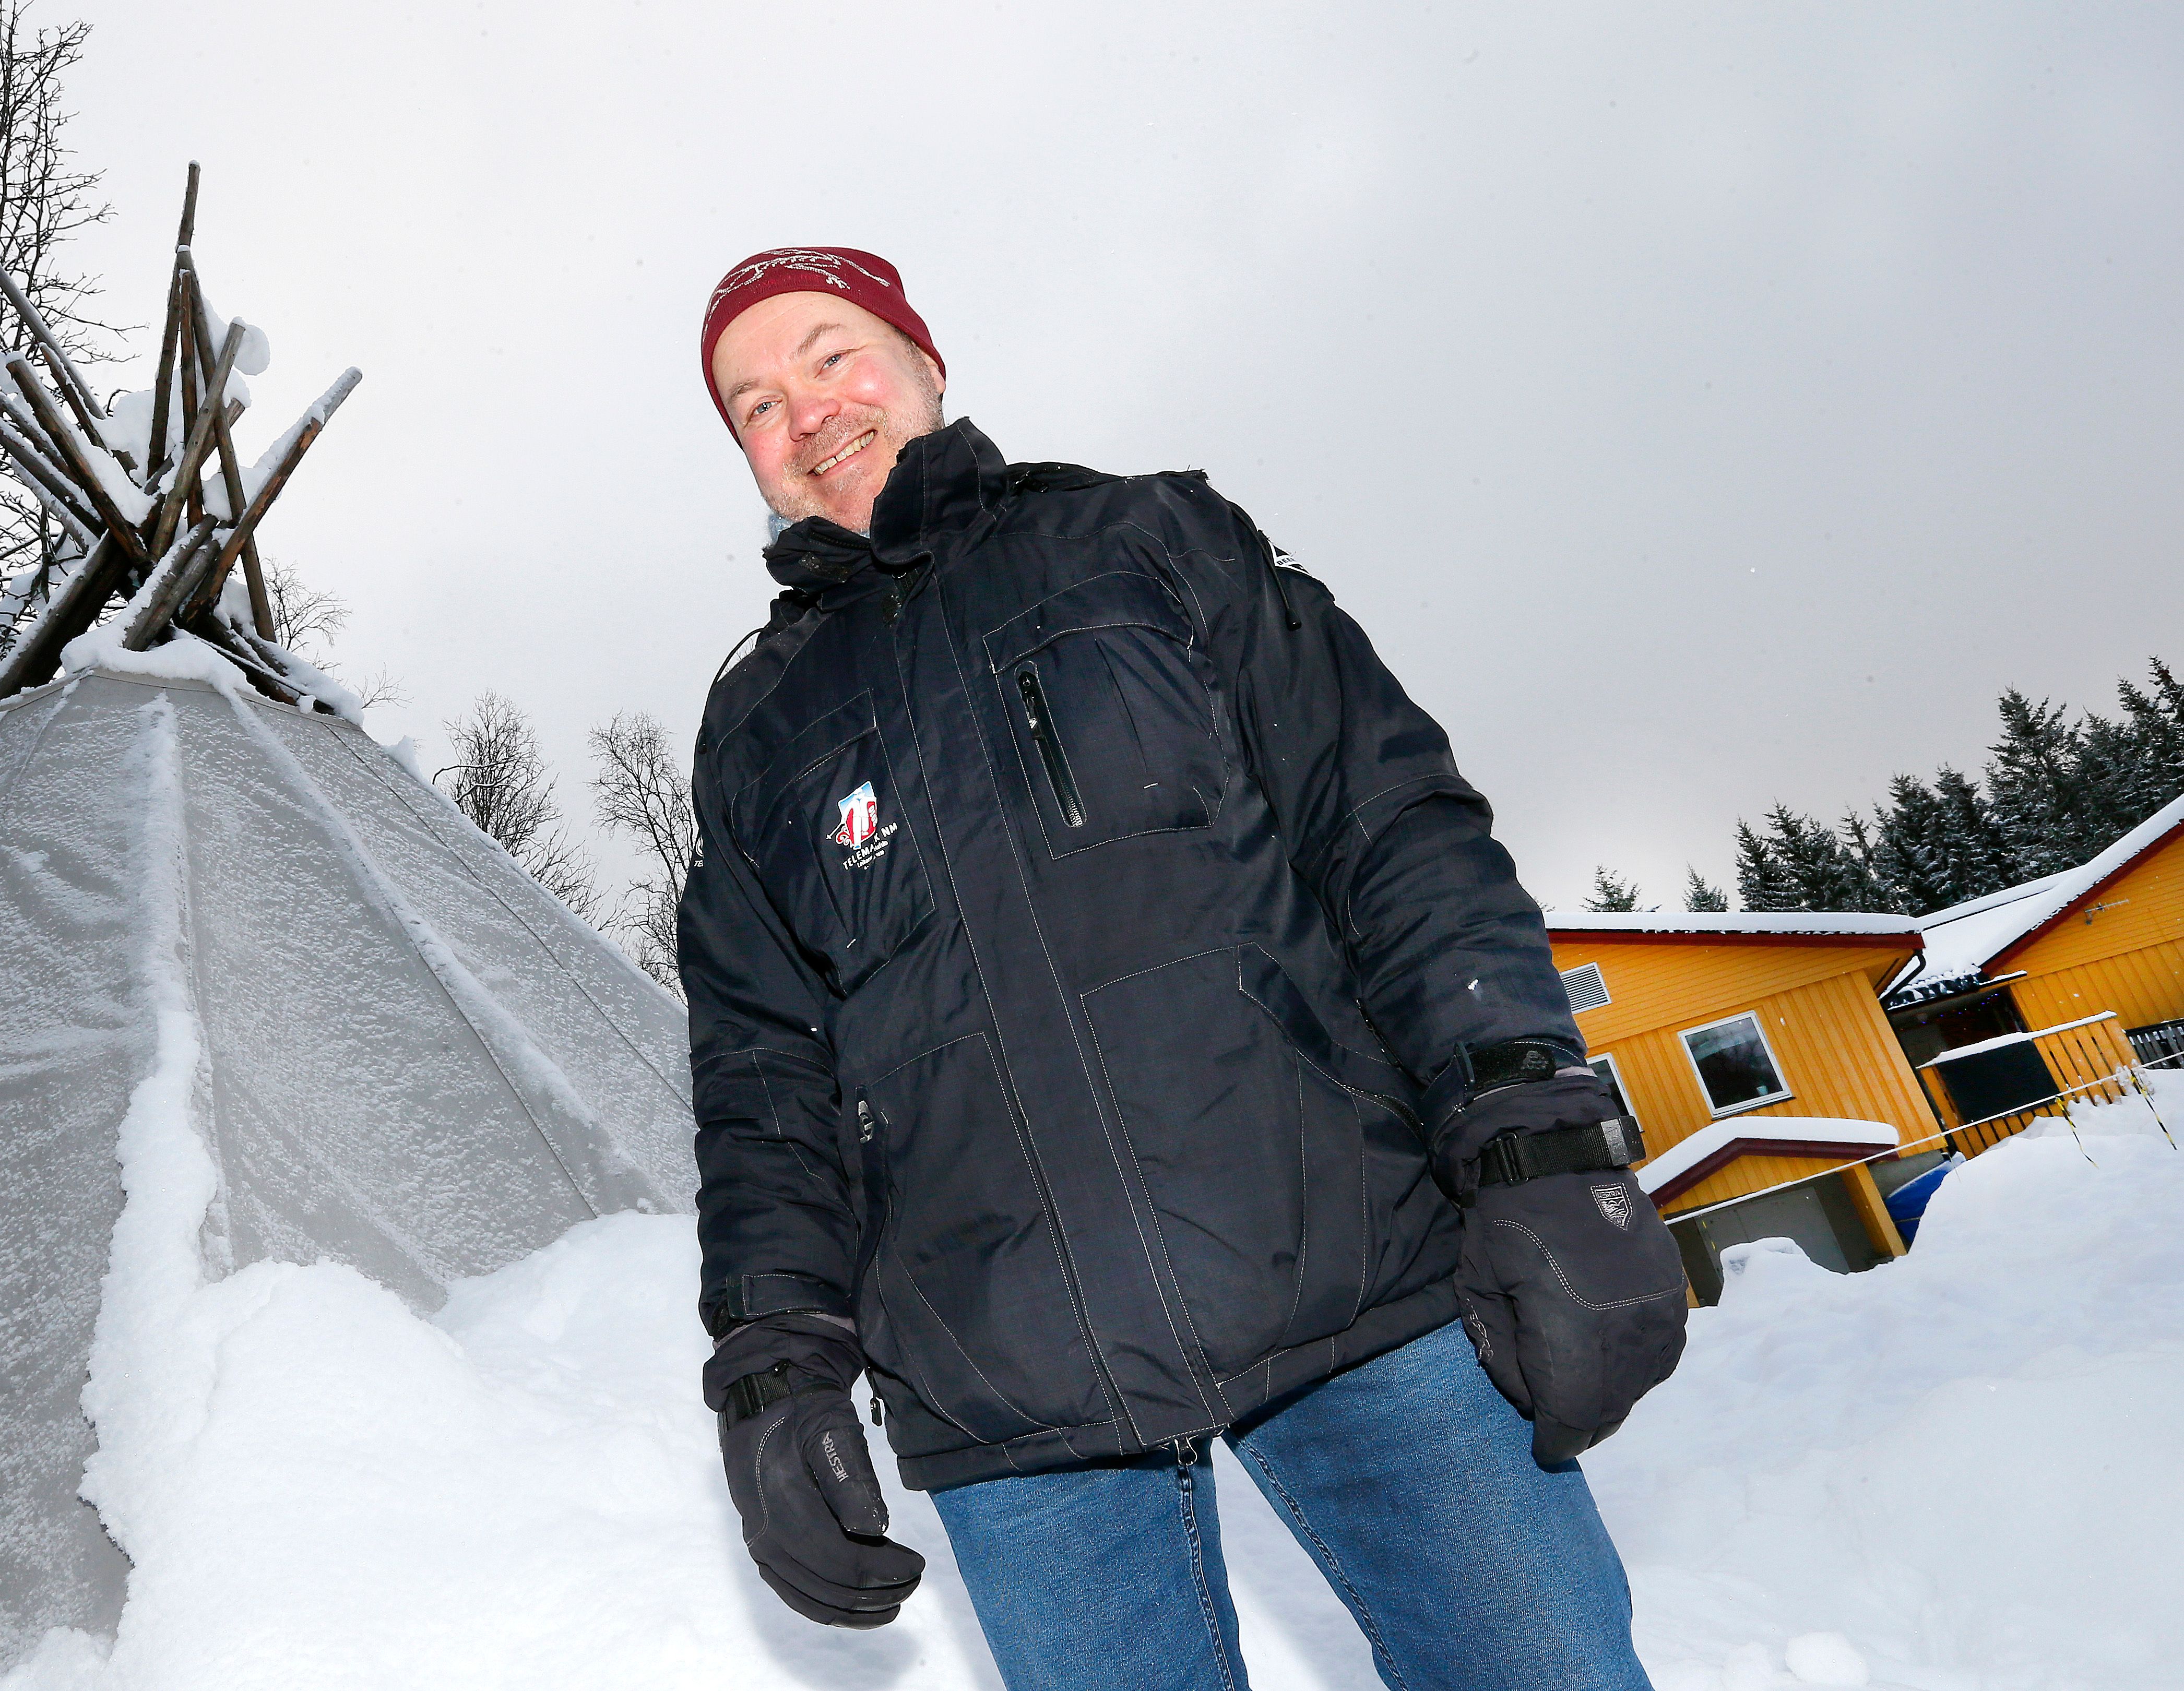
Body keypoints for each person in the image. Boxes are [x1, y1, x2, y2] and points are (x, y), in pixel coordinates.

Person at [679, 246, 1688, 1691]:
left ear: (923, 361)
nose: (808, 411)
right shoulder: (758, 735)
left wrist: (1528, 1121)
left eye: (831, 354)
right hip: (1012, 1403)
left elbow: (1389, 830)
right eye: (755, 403)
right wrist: (776, 1363)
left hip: (1360, 1284)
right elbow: (760, 1079)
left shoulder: (1146, 542)